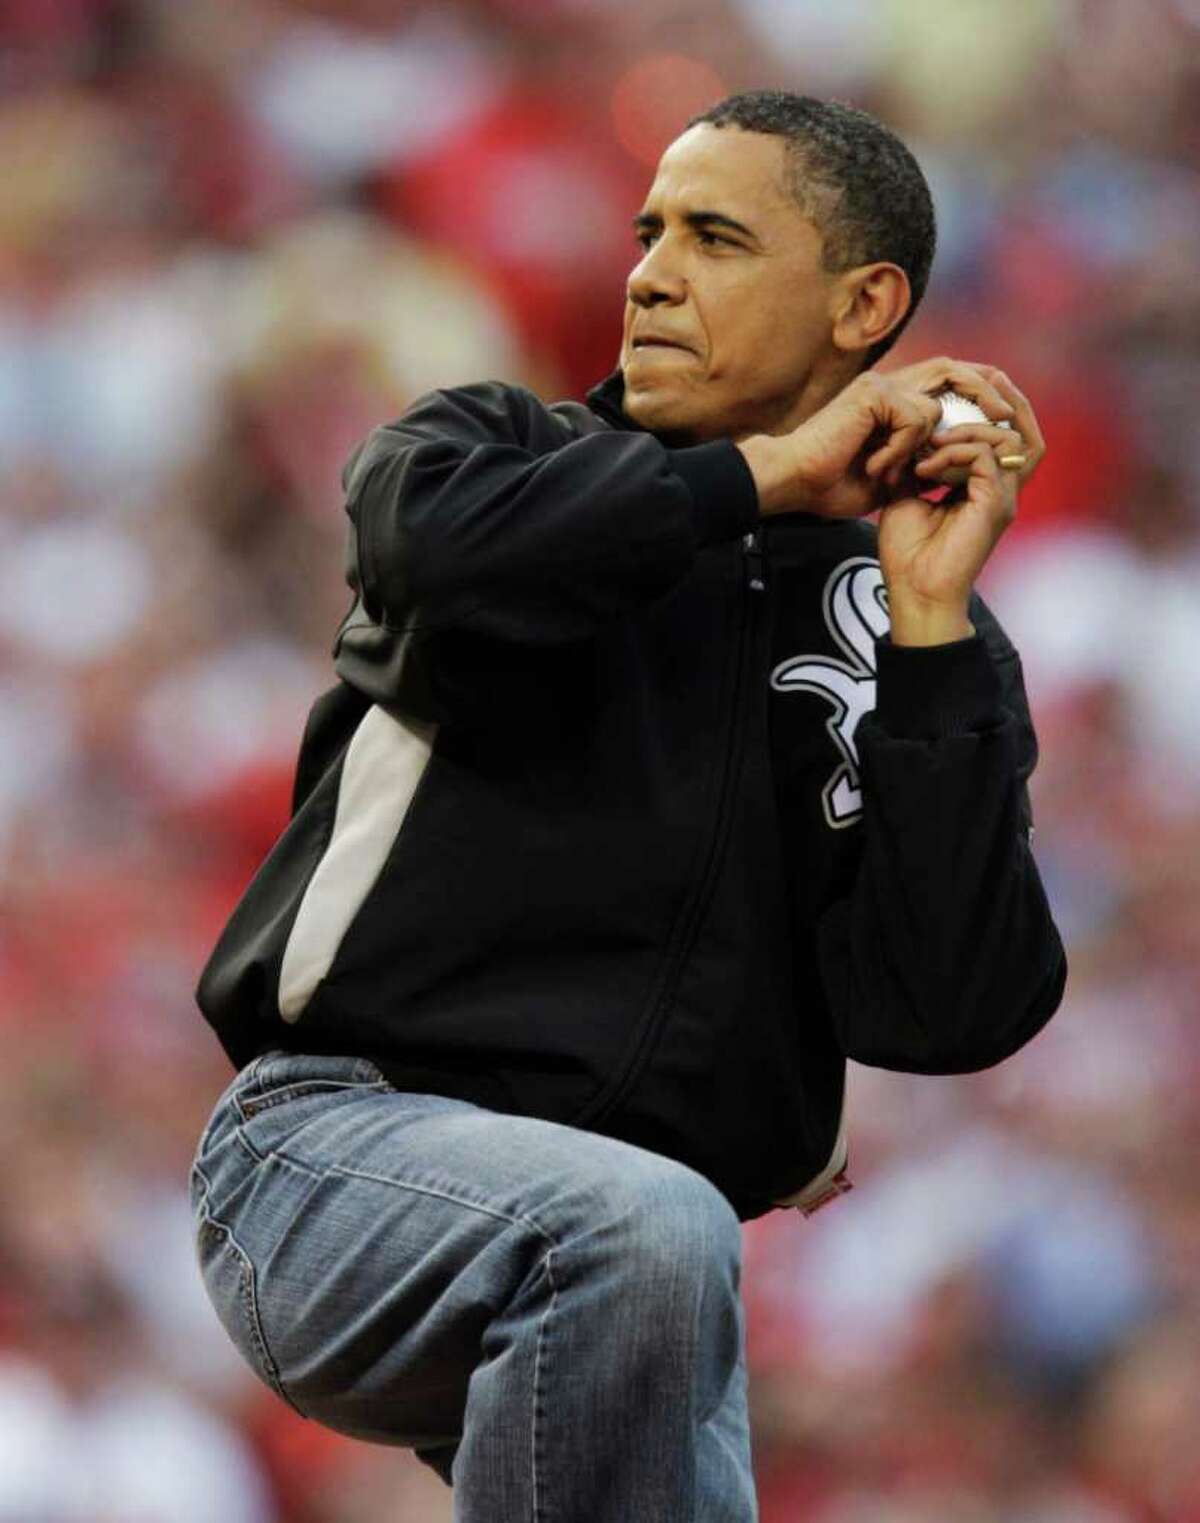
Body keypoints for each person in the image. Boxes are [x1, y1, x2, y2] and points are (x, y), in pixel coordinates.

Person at [189, 90, 1066, 1521]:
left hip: (639, 1274)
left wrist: (930, 632)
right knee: (646, 1224)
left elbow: (949, 1007)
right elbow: (443, 560)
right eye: (649, 231)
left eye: (715, 237)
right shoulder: (491, 447)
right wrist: (775, 472)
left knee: (653, 1239)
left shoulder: (892, 632)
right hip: (336, 1162)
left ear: (868, 305)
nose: (649, 272)